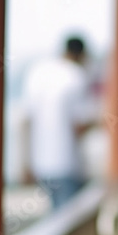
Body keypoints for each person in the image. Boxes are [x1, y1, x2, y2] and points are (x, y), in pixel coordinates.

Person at [20, 36, 96, 209]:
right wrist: (102, 121)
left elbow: (25, 122)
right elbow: (79, 126)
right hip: (67, 164)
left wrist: (25, 163)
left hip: (41, 165)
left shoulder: (38, 73)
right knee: (69, 220)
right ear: (80, 54)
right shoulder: (76, 75)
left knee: (55, 217)